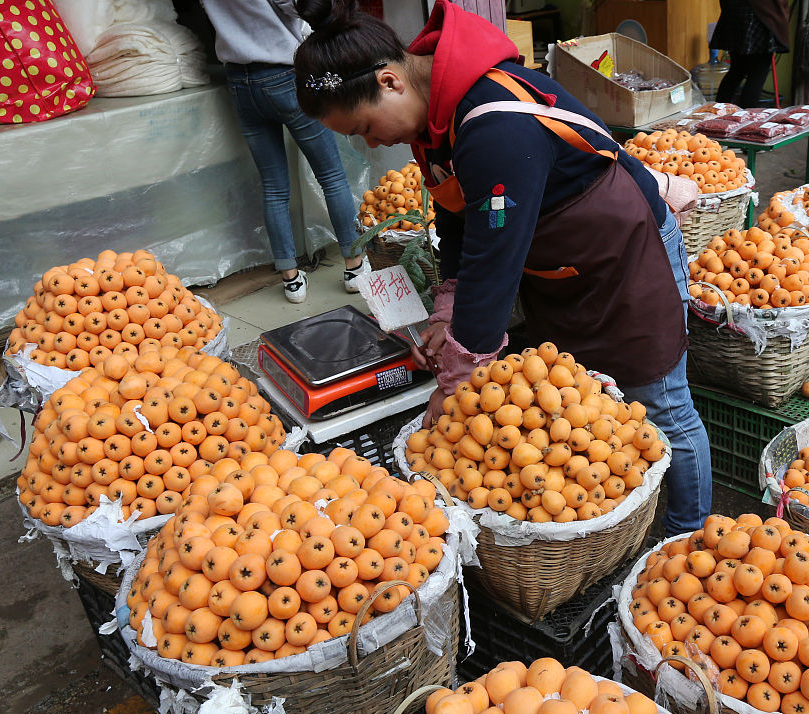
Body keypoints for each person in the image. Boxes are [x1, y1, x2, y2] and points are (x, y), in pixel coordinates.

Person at [291, 0, 713, 536]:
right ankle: (618, 522)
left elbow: (493, 259)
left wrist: (460, 373)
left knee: (661, 399)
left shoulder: (494, 125)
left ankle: (687, 529)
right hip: (564, 267)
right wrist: (448, 306)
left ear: (391, 81)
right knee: (577, 400)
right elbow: (458, 219)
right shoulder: (438, 118)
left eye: (365, 126)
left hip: (626, 255)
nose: (372, 142)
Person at [201, 0, 368, 303]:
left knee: (274, 187)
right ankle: (354, 267)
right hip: (283, 74)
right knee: (331, 175)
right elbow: (302, 6)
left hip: (239, 81)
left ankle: (291, 279)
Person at [710, 0, 790, 108]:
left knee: (737, 69)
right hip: (760, 13)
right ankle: (747, 119)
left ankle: (717, 114)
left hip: (735, 11)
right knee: (758, 71)